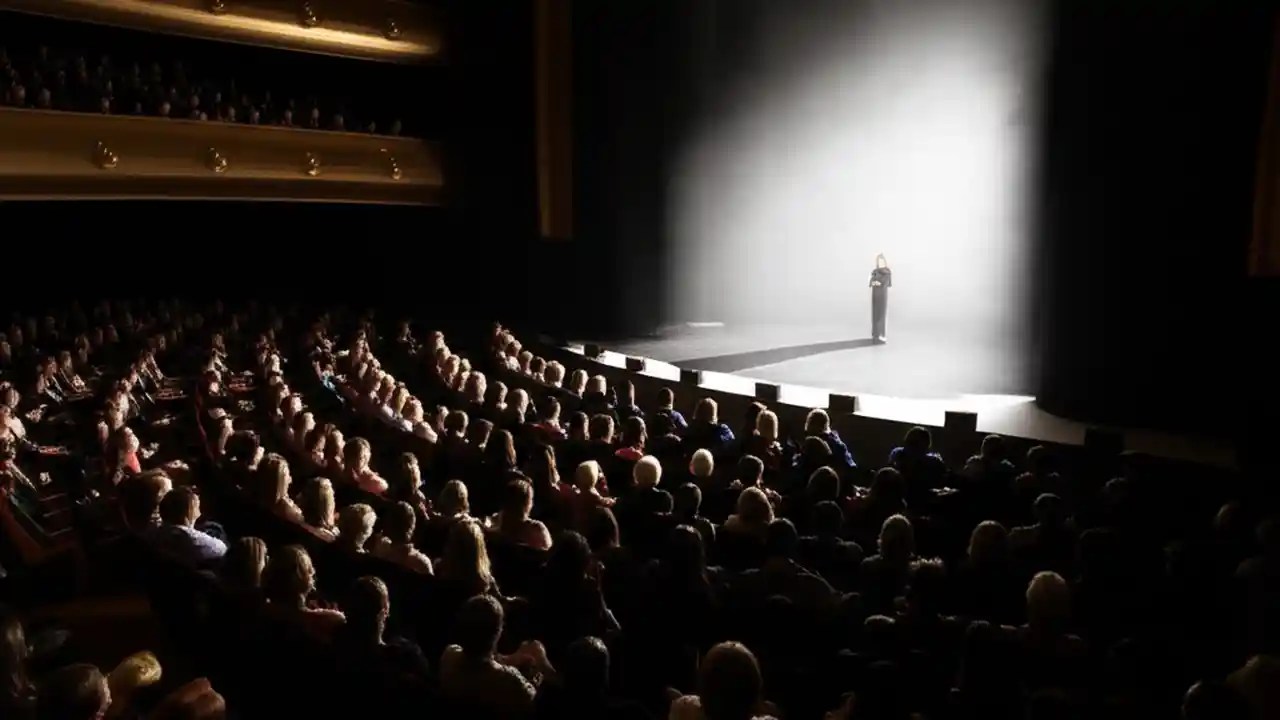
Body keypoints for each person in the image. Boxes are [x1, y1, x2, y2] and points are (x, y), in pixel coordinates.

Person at [869, 253, 892, 343]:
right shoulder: (875, 272)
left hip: (881, 294)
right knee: (876, 314)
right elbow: (872, 282)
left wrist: (877, 282)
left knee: (880, 314)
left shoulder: (886, 272)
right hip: (877, 294)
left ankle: (880, 334)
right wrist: (876, 282)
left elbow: (885, 283)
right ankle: (876, 335)